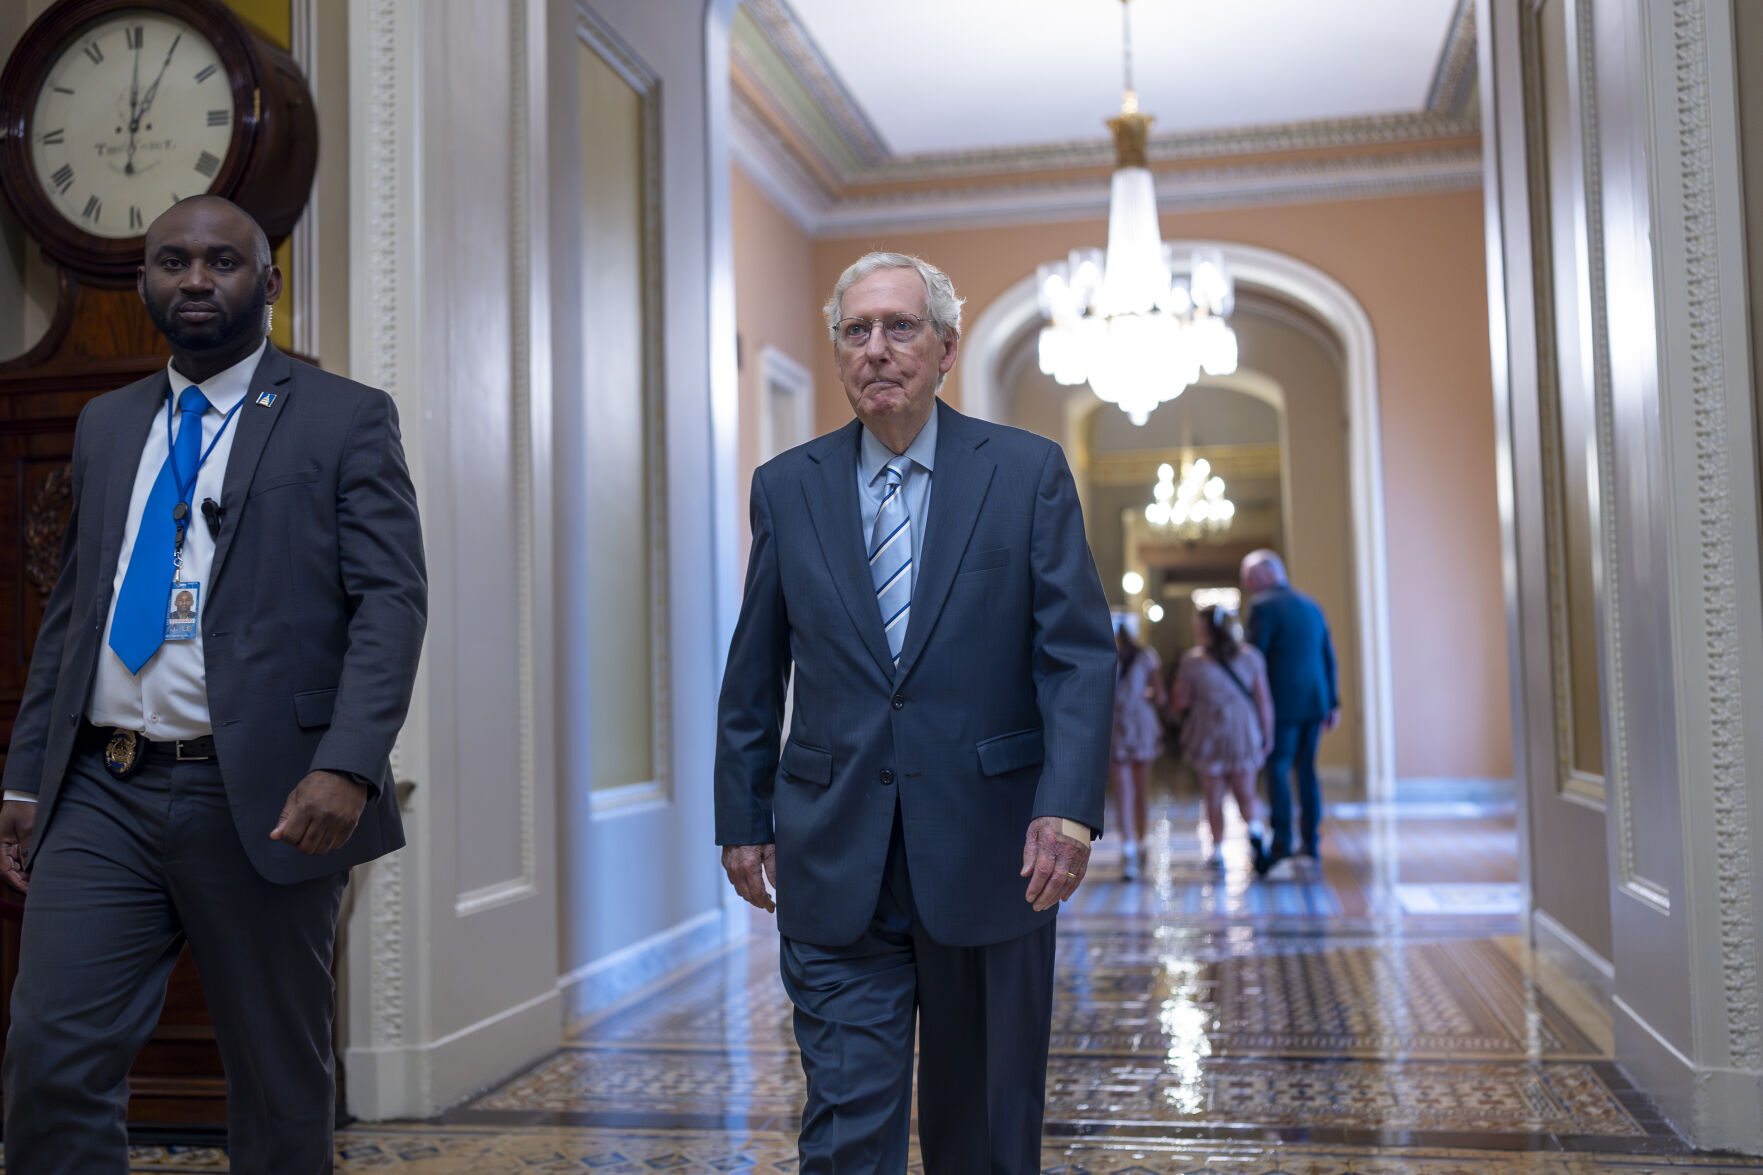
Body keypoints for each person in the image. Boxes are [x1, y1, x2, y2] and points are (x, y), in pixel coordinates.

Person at [0, 196, 427, 1175]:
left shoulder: (343, 417)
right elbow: (73, 611)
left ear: (268, 283)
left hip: (268, 795)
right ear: (144, 279)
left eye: (223, 262)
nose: (196, 279)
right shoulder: (108, 423)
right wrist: (27, 780)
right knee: (51, 1052)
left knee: (279, 1078)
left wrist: (348, 766)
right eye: (172, 261)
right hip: (102, 788)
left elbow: (390, 605)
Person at [715, 251, 1114, 1174]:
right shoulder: (787, 486)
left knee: (981, 1126)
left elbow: (1078, 656)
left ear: (945, 347)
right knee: (848, 1123)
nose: (876, 349)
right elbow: (755, 665)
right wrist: (742, 814)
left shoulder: (1025, 474)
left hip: (992, 853)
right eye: (856, 331)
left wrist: (1068, 806)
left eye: (899, 328)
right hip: (833, 851)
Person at [1240, 549, 1339, 879]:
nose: (1248, 584)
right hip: (1315, 701)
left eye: (1250, 578)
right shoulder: (1311, 605)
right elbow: (1328, 656)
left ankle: (1282, 841)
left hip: (1281, 704)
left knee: (1278, 770)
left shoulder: (1263, 606)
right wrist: (1333, 702)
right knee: (1307, 771)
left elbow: (1254, 658)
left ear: (1268, 574)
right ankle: (1309, 842)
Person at [1171, 606, 1274, 869]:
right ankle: (1255, 832)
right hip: (1242, 728)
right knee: (1245, 792)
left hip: (1209, 729)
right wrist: (1267, 734)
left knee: (1213, 794)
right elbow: (1263, 701)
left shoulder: (1192, 661)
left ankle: (1217, 850)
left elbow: (1181, 702)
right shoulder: (1250, 656)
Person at [1109, 614, 1163, 880]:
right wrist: (1142, 694)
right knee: (1136, 791)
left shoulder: (1104, 655)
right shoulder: (1147, 655)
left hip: (1118, 724)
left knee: (1127, 793)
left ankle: (1132, 847)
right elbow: (1159, 693)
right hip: (1139, 723)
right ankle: (1136, 845)